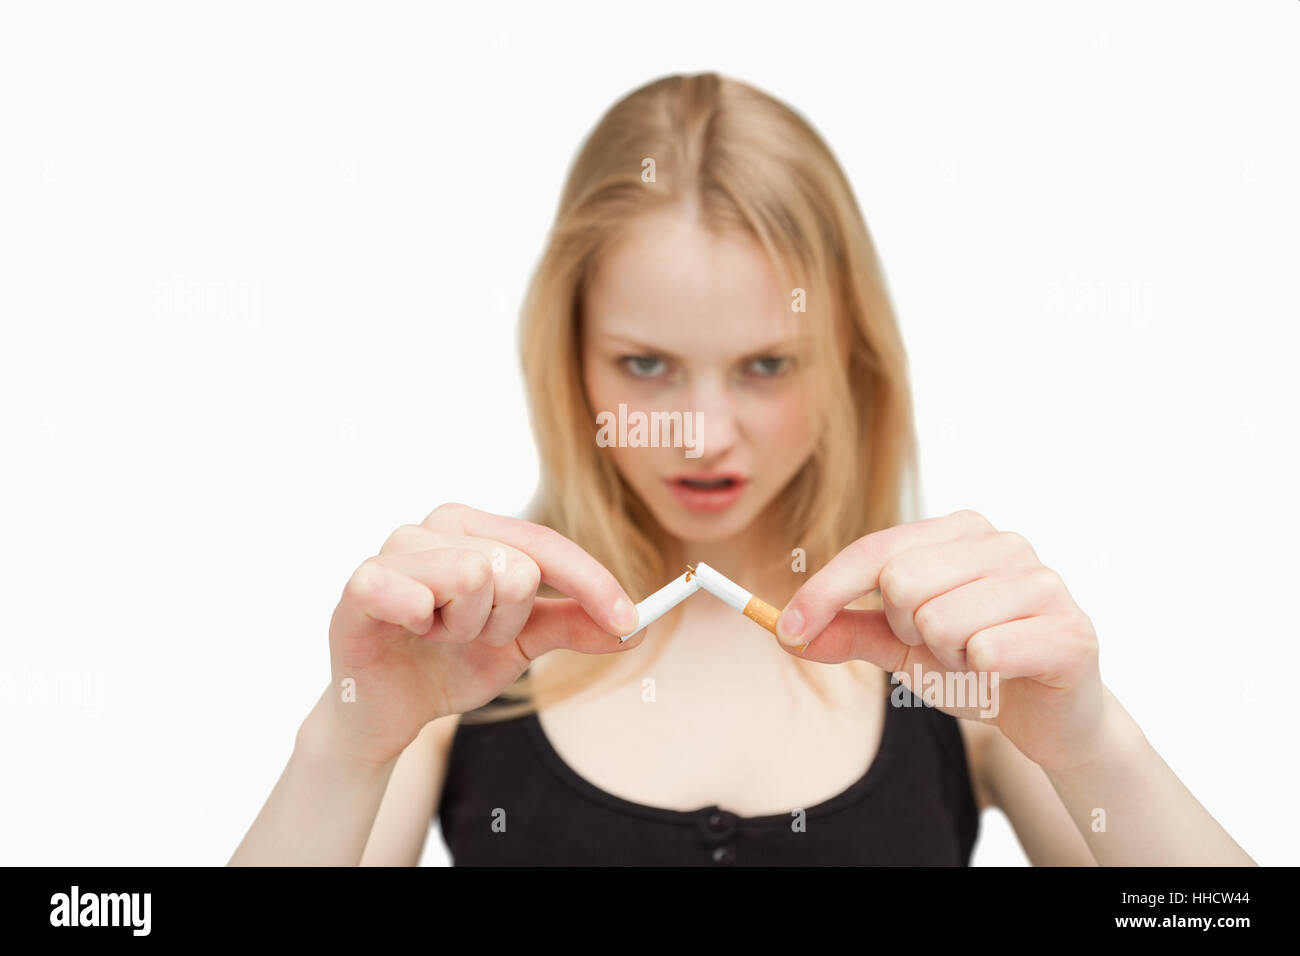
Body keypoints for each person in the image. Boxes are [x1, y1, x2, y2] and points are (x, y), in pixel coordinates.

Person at [229, 72, 1255, 866]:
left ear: (847, 355)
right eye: (645, 364)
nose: (700, 435)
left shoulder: (950, 677)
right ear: (569, 357)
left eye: (765, 364)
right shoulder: (462, 675)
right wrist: (345, 736)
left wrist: (1093, 742)